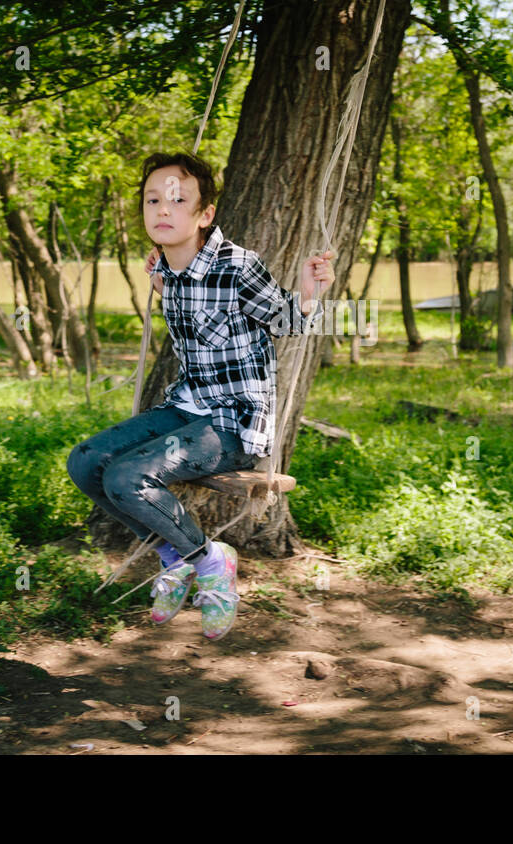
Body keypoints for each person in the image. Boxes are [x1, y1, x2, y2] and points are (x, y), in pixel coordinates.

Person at [67, 151, 335, 641]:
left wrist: (309, 292)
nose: (163, 210)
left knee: (128, 478)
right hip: (186, 407)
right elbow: (170, 277)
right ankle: (178, 554)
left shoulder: (237, 267)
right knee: (85, 463)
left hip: (235, 422)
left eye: (178, 199)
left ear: (205, 214)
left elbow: (286, 323)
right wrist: (158, 273)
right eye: (153, 200)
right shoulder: (165, 268)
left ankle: (211, 563)